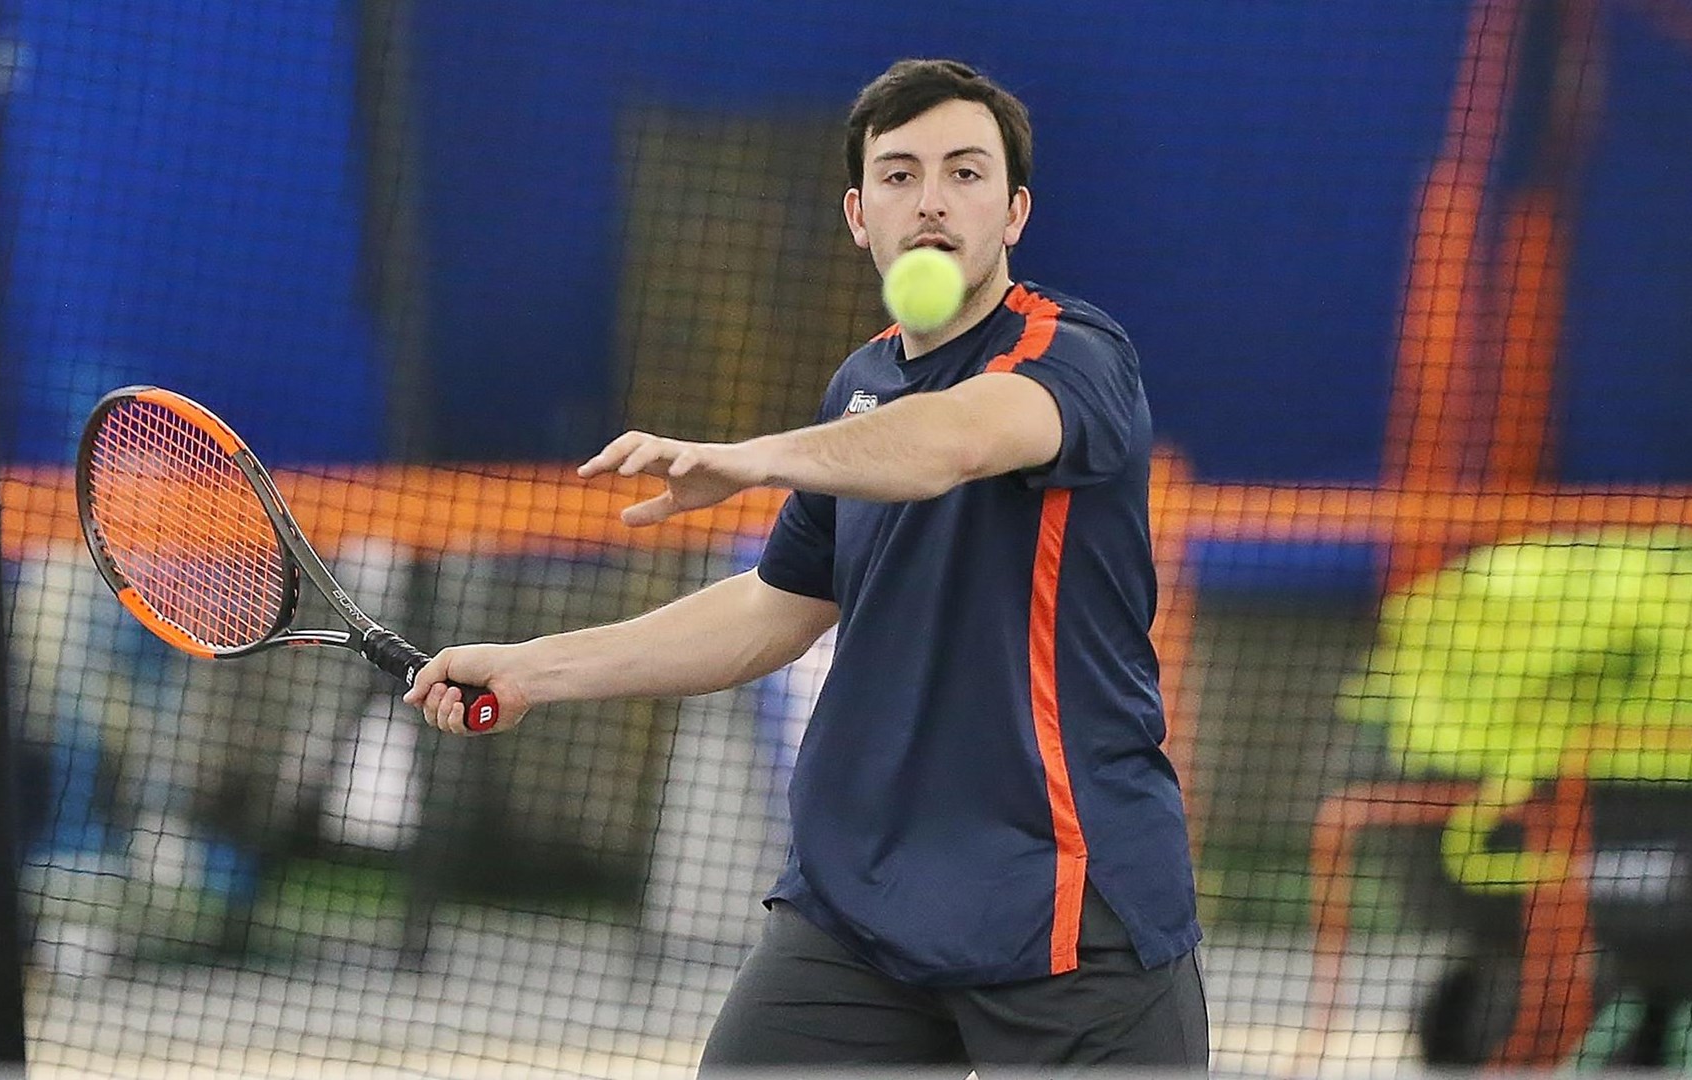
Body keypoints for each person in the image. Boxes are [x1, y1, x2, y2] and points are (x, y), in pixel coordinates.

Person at [406, 57, 1207, 1073]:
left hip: (1064, 904)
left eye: (966, 174)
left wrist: (748, 460)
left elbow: (948, 444)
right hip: (860, 907)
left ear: (1014, 213)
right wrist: (533, 668)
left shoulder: (1073, 357)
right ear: (858, 214)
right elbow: (774, 608)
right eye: (901, 174)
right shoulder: (860, 385)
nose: (932, 200)